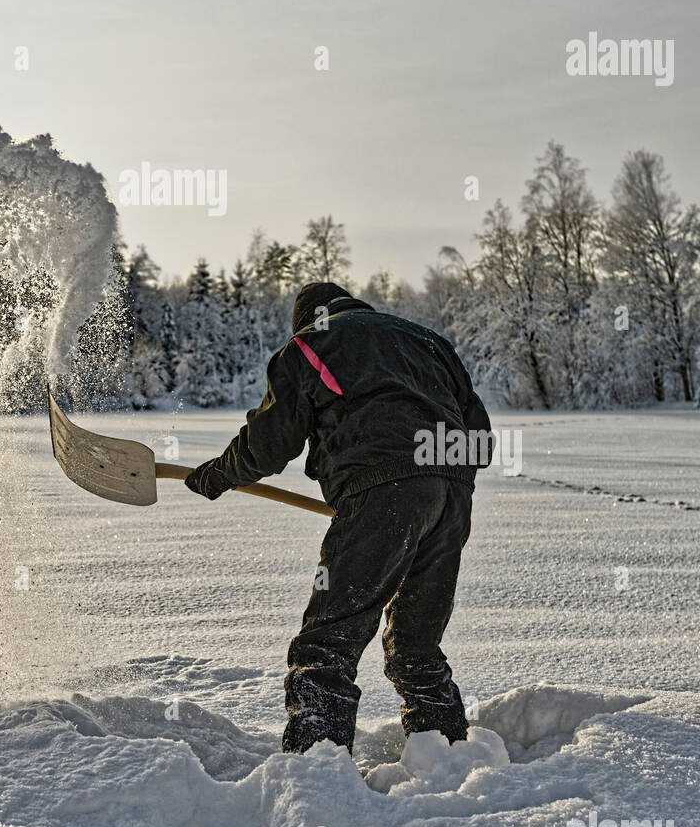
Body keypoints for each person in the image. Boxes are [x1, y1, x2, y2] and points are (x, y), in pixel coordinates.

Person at [184, 281, 490, 755]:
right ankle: (449, 756)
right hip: (453, 498)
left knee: (326, 646)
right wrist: (423, 479)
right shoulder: (428, 342)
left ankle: (316, 773)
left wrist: (219, 474)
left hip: (382, 493)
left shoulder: (309, 345)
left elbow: (271, 442)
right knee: (415, 646)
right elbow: (481, 439)